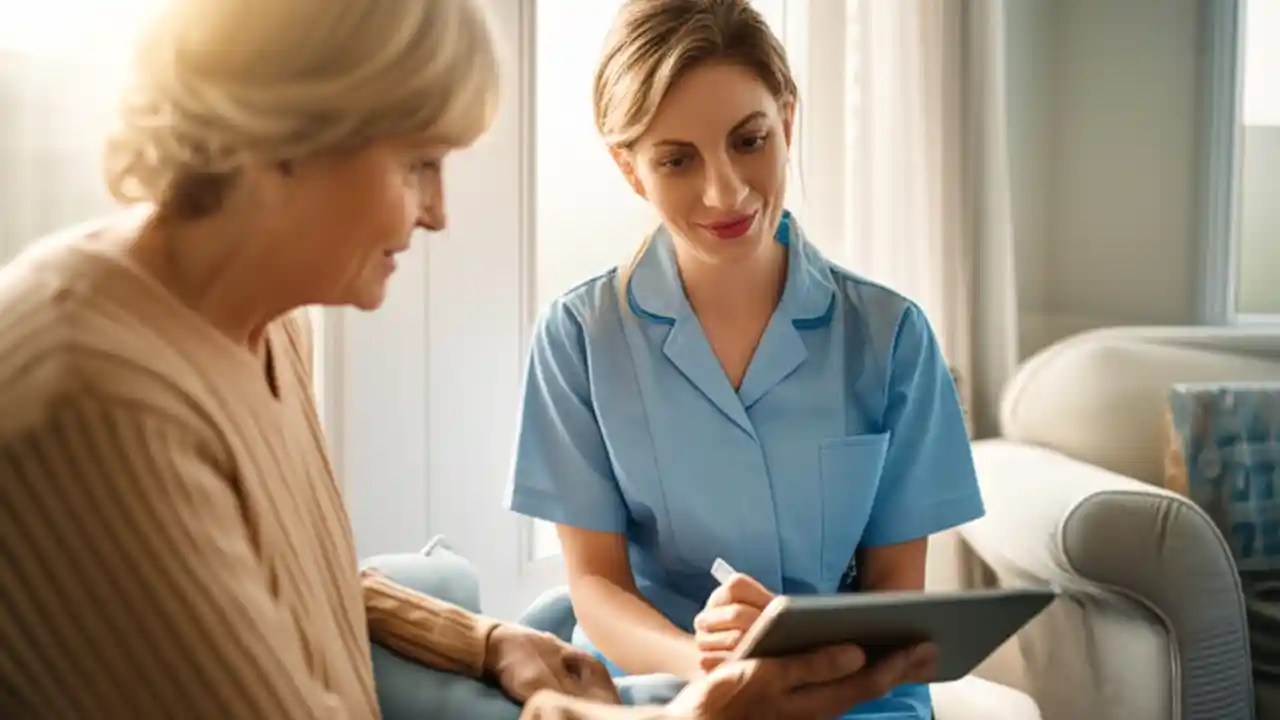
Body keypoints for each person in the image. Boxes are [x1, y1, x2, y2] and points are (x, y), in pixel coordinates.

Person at [0, 0, 933, 718]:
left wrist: (483, 639)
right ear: (281, 144)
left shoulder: (269, 323)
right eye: (417, 164)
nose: (437, 212)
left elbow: (285, 584)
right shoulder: (96, 396)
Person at [506, 0, 985, 717]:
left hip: (848, 689)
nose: (725, 191)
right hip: (655, 684)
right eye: (676, 159)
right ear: (630, 169)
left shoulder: (893, 337)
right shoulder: (578, 337)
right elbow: (598, 586)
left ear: (787, 122)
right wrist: (706, 665)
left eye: (749, 141)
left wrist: (803, 656)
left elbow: (895, 585)